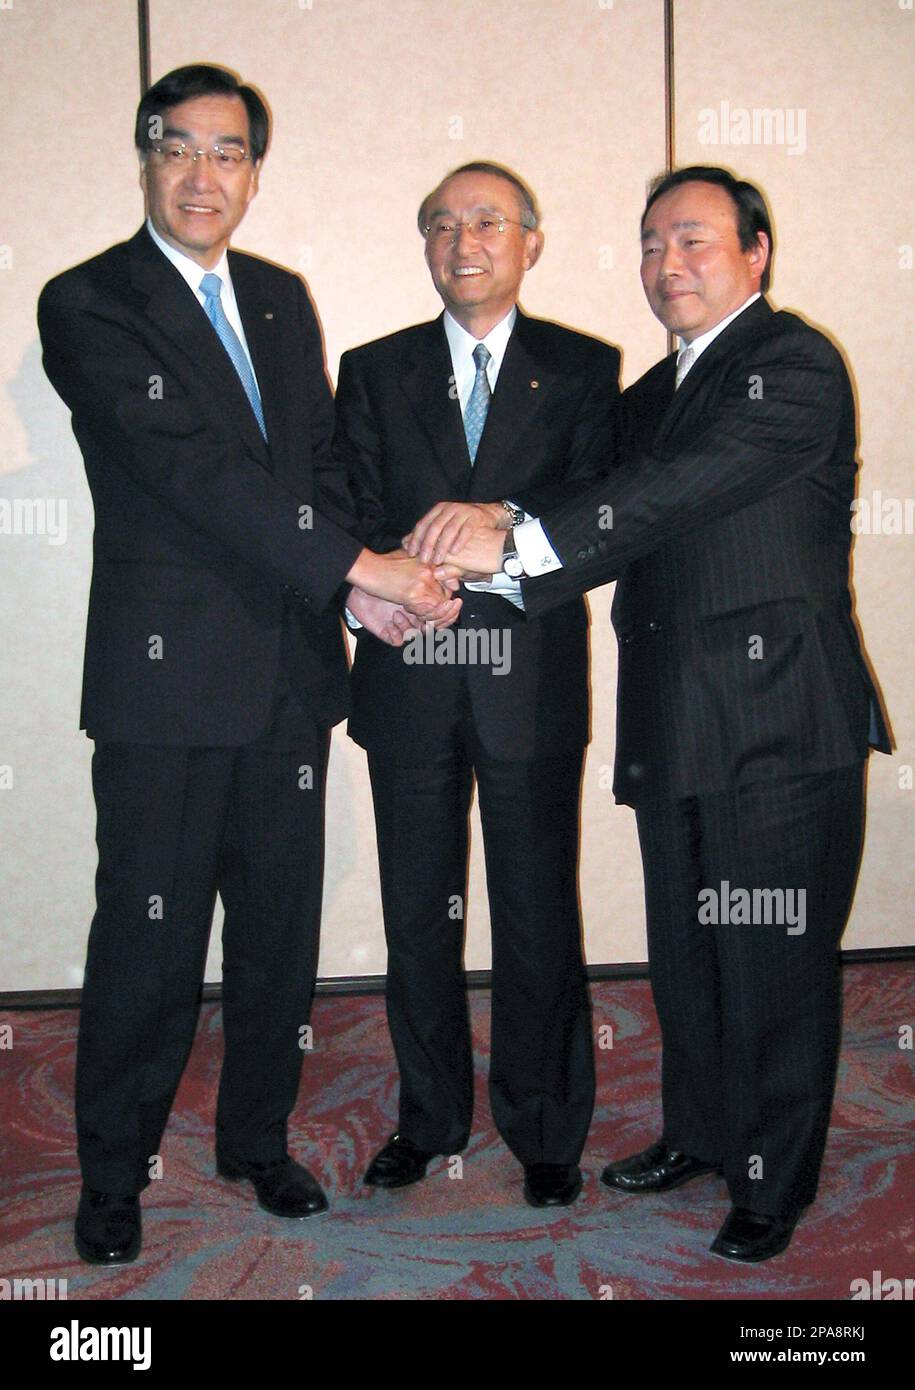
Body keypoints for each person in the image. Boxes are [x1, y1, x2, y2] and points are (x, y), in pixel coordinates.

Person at [417, 166, 890, 1259]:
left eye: (693, 241)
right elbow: (585, 505)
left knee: (771, 966)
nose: (666, 265)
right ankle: (704, 1131)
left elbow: (674, 491)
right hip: (675, 720)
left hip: (777, 726)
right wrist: (464, 550)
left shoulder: (791, 367)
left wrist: (519, 540)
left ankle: (772, 1183)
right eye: (648, 245)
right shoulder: (655, 394)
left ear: (756, 253)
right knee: (687, 956)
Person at [37, 63, 449, 1265]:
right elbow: (194, 475)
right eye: (179, 147)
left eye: (228, 153)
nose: (202, 173)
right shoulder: (89, 302)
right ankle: (115, 1172)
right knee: (149, 938)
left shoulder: (278, 297)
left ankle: (255, 1141)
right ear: (144, 155)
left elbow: (315, 461)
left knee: (279, 931)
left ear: (255, 174)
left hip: (289, 677)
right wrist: (363, 565)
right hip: (165, 686)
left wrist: (355, 597)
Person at [334, 162, 620, 1206]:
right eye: (442, 222)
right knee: (418, 911)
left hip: (526, 678)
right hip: (410, 670)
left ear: (530, 242)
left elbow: (598, 515)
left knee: (538, 908)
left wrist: (495, 534)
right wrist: (388, 586)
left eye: (487, 221)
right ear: (425, 246)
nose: (464, 239)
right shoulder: (373, 368)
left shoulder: (585, 368)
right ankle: (428, 1116)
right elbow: (348, 502)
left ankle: (547, 1129)